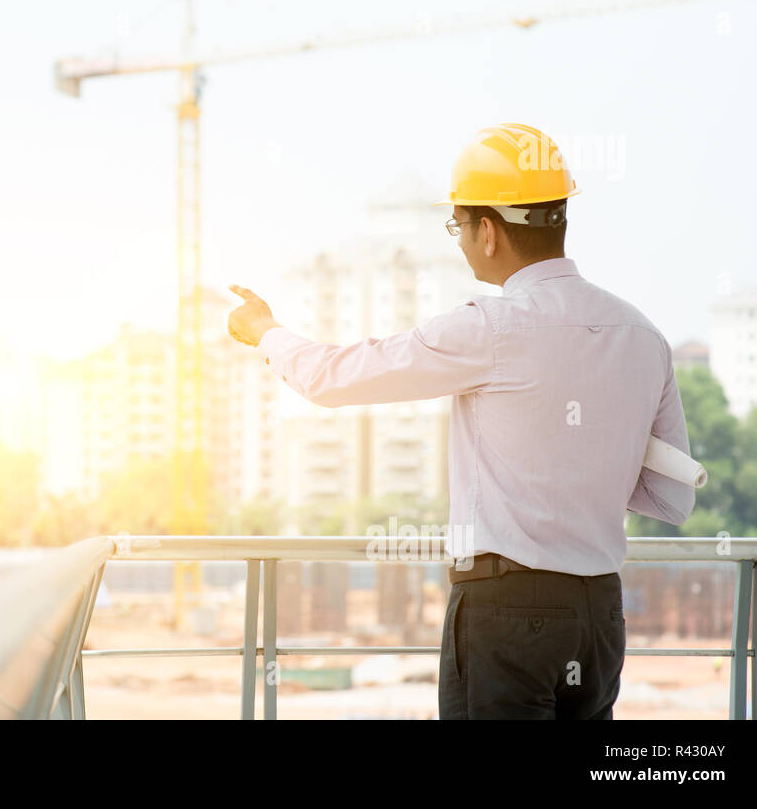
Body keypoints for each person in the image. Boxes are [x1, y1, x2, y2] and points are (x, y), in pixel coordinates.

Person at [226, 122, 695, 719]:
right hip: (599, 614)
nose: (460, 241)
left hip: (507, 609)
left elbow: (332, 378)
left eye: (459, 226)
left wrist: (265, 331)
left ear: (490, 231)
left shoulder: (488, 329)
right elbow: (674, 498)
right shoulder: (642, 335)